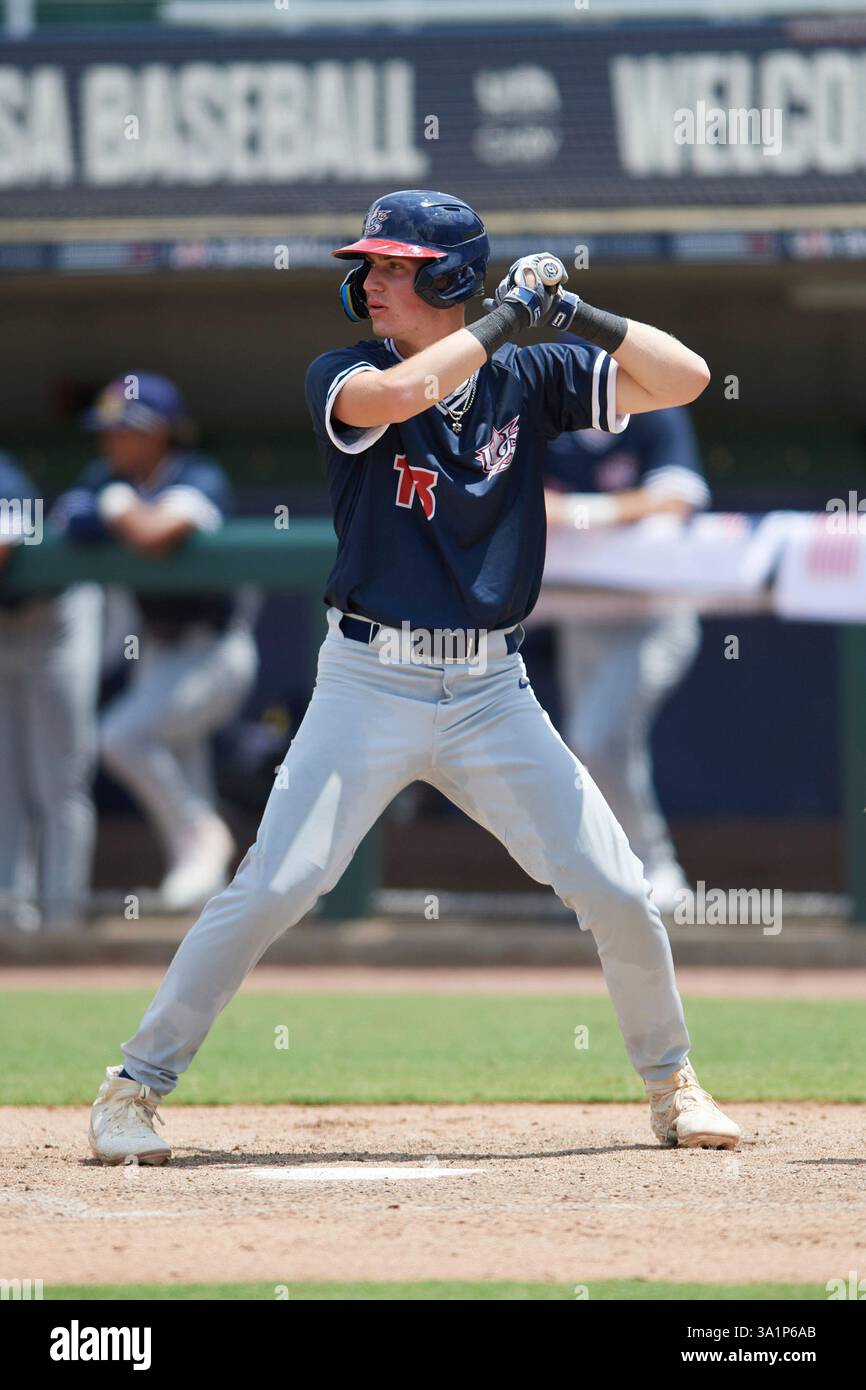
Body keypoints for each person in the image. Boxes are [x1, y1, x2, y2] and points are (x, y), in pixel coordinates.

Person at [87, 191, 740, 1165]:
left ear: (447, 275)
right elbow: (403, 399)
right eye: (372, 265)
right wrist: (503, 317)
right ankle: (133, 1086)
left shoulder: (531, 371)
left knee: (613, 884)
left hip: (491, 691)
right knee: (275, 883)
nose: (371, 281)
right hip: (367, 680)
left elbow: (683, 378)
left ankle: (671, 1081)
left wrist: (570, 315)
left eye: (397, 266)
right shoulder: (342, 372)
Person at [52, 373, 259, 913]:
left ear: (160, 432)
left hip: (215, 651)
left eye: (125, 431)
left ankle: (205, 837)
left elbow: (156, 534)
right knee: (175, 760)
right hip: (157, 650)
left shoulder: (198, 475)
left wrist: (116, 509)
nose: (111, 442)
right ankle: (201, 882)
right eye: (108, 431)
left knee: (120, 738)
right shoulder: (106, 476)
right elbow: (69, 519)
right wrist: (110, 505)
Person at [543, 372, 710, 913]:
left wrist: (585, 513)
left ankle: (657, 866)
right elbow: (522, 502)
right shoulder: (551, 429)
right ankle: (608, 876)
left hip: (655, 613)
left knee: (599, 736)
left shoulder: (657, 414)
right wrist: (608, 514)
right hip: (582, 615)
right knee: (586, 751)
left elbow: (676, 500)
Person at [0, 452, 103, 932]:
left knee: (58, 776)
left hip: (53, 618)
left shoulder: (7, 474)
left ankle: (62, 917)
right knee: (5, 779)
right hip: (6, 626)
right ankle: (9, 912)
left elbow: (5, 542)